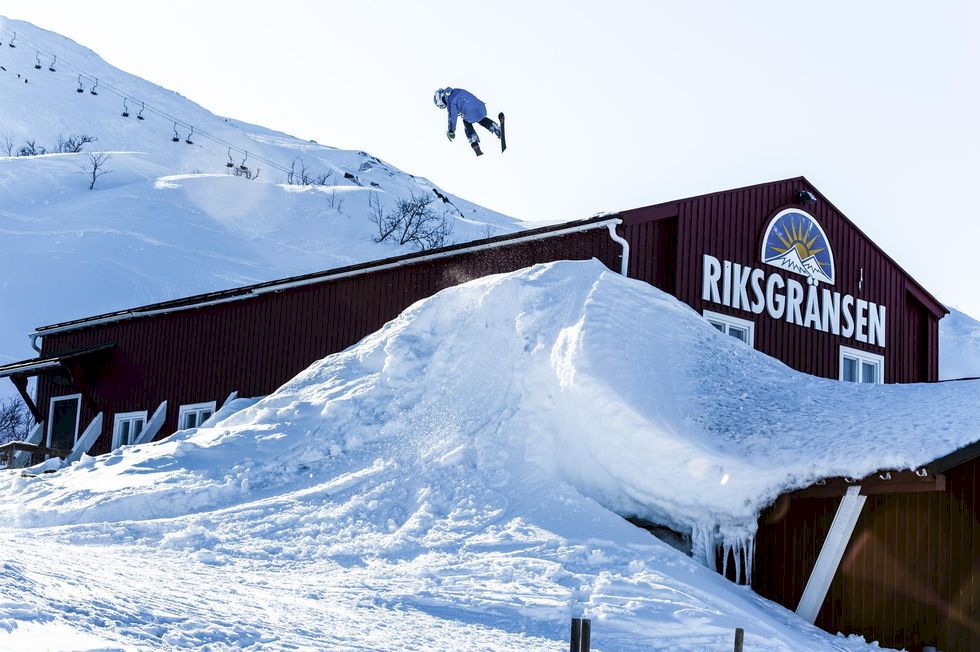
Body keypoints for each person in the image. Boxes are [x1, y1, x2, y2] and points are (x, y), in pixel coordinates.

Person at [433, 87, 501, 156]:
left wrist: (451, 130)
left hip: (470, 112)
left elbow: (452, 116)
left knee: (466, 122)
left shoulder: (450, 100)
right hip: (481, 107)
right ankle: (496, 128)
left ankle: (473, 139)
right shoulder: (456, 90)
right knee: (481, 119)